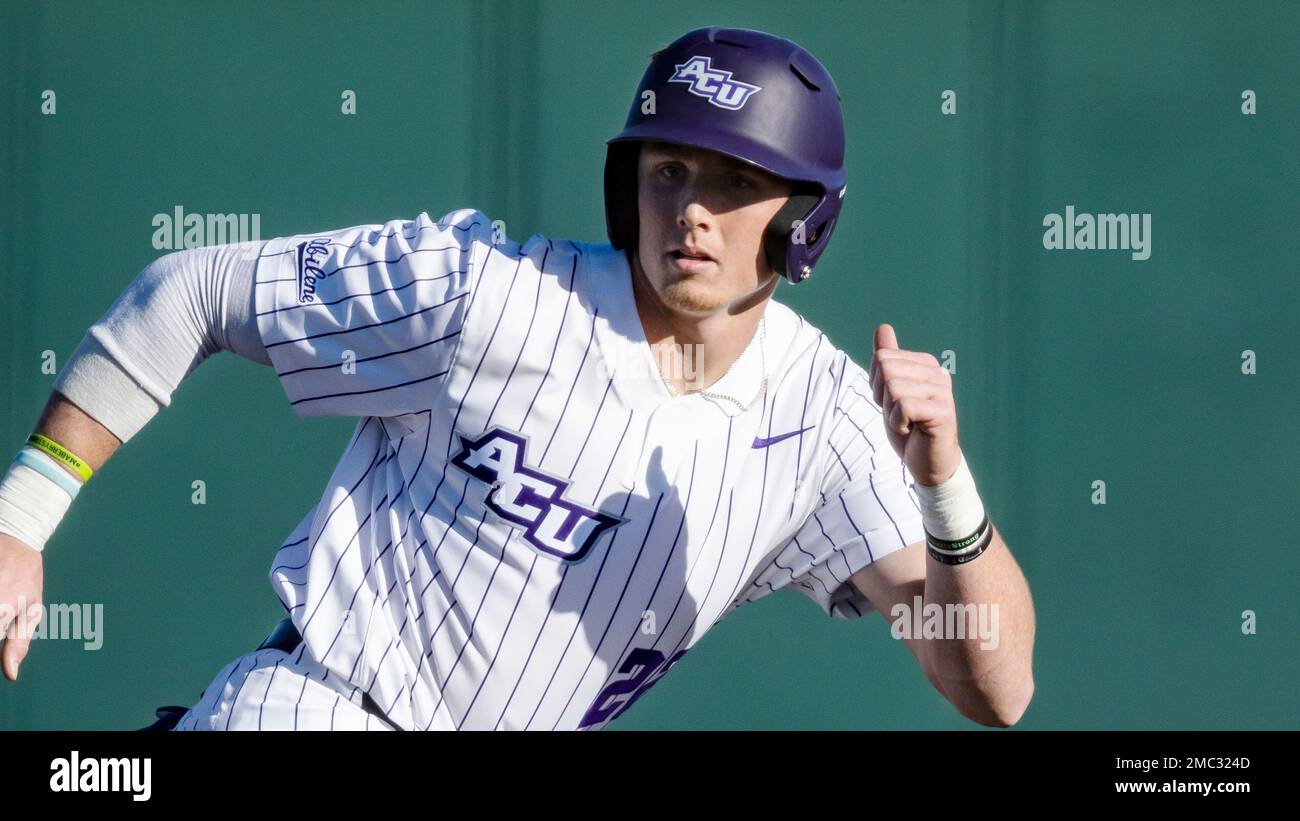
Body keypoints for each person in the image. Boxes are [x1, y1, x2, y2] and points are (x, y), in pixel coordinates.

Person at [0, 26, 1035, 731]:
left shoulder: (824, 418)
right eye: (668, 170)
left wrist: (945, 484)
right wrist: (21, 519)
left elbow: (992, 685)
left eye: (735, 182)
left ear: (805, 220)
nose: (692, 210)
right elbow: (192, 291)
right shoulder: (487, 291)